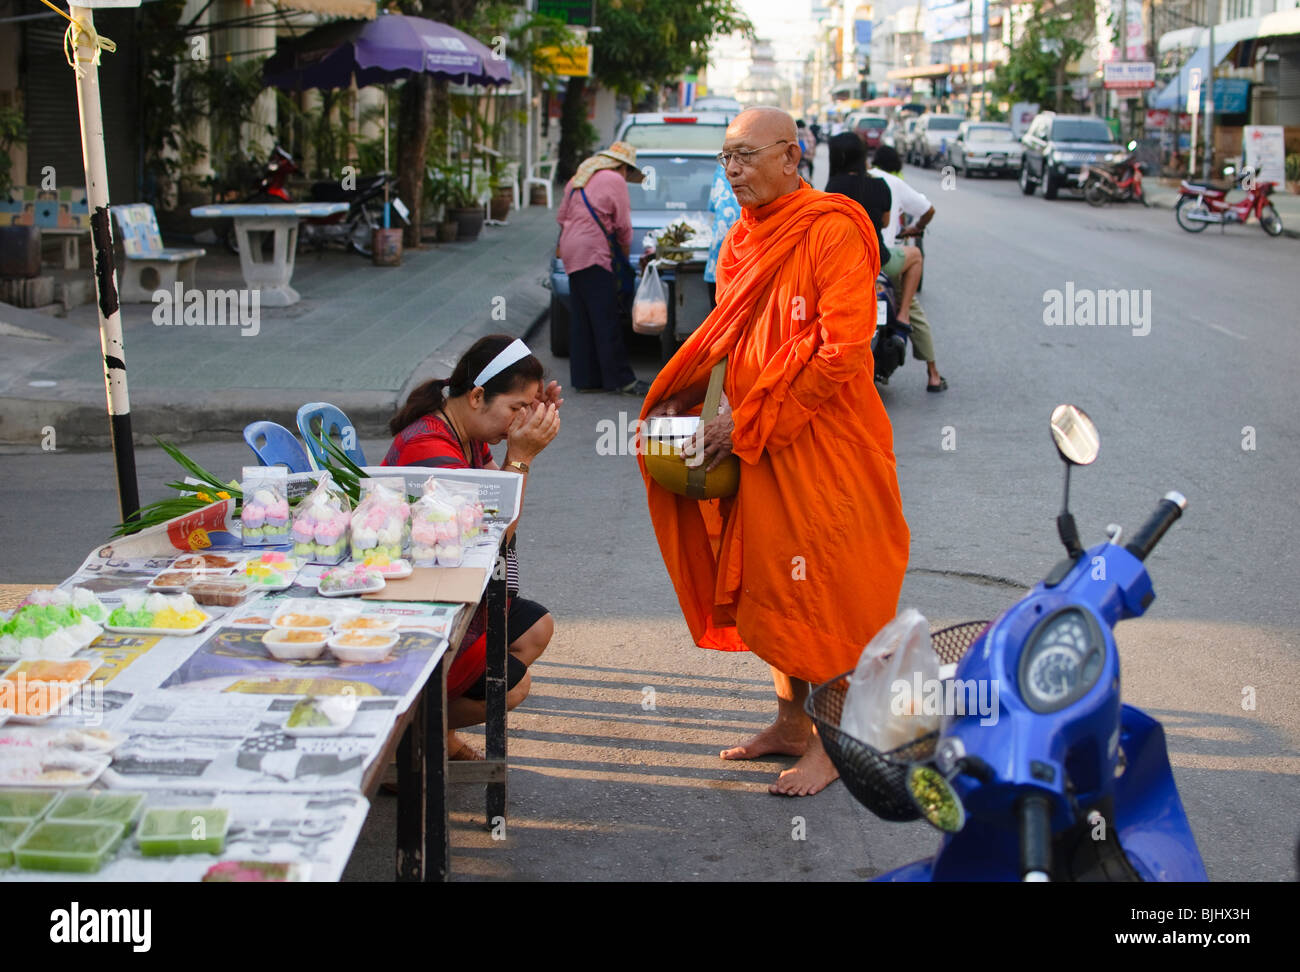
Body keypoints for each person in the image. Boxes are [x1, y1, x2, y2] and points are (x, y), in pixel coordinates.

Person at [638, 107, 910, 797]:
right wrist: (705, 402)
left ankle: (834, 744)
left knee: (829, 592)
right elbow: (732, 343)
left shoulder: (833, 229)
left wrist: (752, 419)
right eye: (725, 157)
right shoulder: (738, 241)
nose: (732, 170)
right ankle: (791, 723)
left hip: (827, 443)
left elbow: (844, 350)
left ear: (791, 158)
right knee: (774, 584)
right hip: (760, 444)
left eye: (746, 156)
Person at [384, 334, 562, 761]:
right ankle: (402, 740)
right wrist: (521, 456)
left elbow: (495, 513)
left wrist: (524, 425)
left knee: (536, 628)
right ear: (478, 395)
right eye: (518, 408)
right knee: (512, 685)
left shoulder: (465, 431)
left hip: (451, 583)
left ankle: (432, 731)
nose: (522, 420)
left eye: (529, 408)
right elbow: (493, 532)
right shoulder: (430, 448)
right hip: (420, 602)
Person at [555, 142, 651, 396]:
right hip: (593, 251)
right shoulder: (613, 179)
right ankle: (621, 379)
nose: (626, 177)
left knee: (583, 317)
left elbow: (561, 216)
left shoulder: (581, 176)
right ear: (622, 167)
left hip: (571, 250)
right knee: (606, 317)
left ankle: (586, 379)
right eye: (627, 172)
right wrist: (625, 255)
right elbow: (623, 225)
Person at [824, 134, 925, 346]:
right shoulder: (880, 185)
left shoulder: (833, 187)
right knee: (915, 256)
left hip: (844, 264)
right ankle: (904, 314)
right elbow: (887, 223)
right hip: (880, 259)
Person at [870, 145, 946, 392]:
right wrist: (916, 228)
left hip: (857, 261)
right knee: (913, 309)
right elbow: (928, 209)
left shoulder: (858, 181)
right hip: (887, 259)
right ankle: (933, 375)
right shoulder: (893, 182)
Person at [704, 160, 741, 308]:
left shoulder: (722, 169)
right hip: (740, 264)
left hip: (719, 261)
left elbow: (713, 209)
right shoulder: (757, 167)